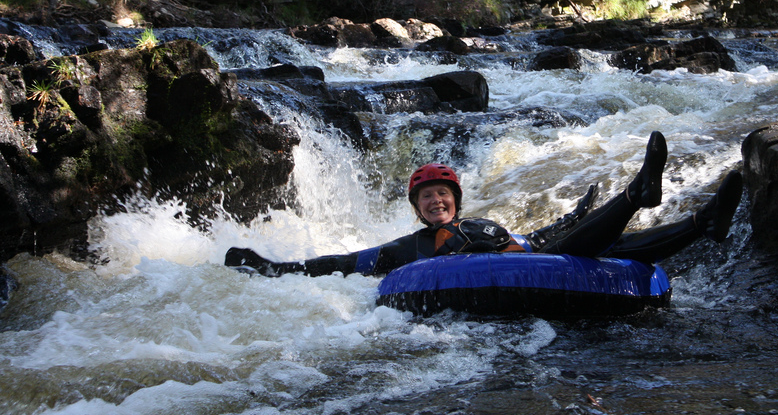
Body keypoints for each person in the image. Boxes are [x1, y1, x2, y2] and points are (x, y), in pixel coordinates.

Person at [225, 131, 743, 278]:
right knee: (589, 249)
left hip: (531, 259)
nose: (435, 203)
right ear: (417, 208)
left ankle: (703, 222)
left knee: (619, 247)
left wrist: (578, 212)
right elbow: (339, 264)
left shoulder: (485, 224)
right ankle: (636, 194)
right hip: (496, 278)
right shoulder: (407, 249)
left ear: (455, 202)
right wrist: (274, 268)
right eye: (426, 198)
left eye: (442, 196)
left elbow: (538, 238)